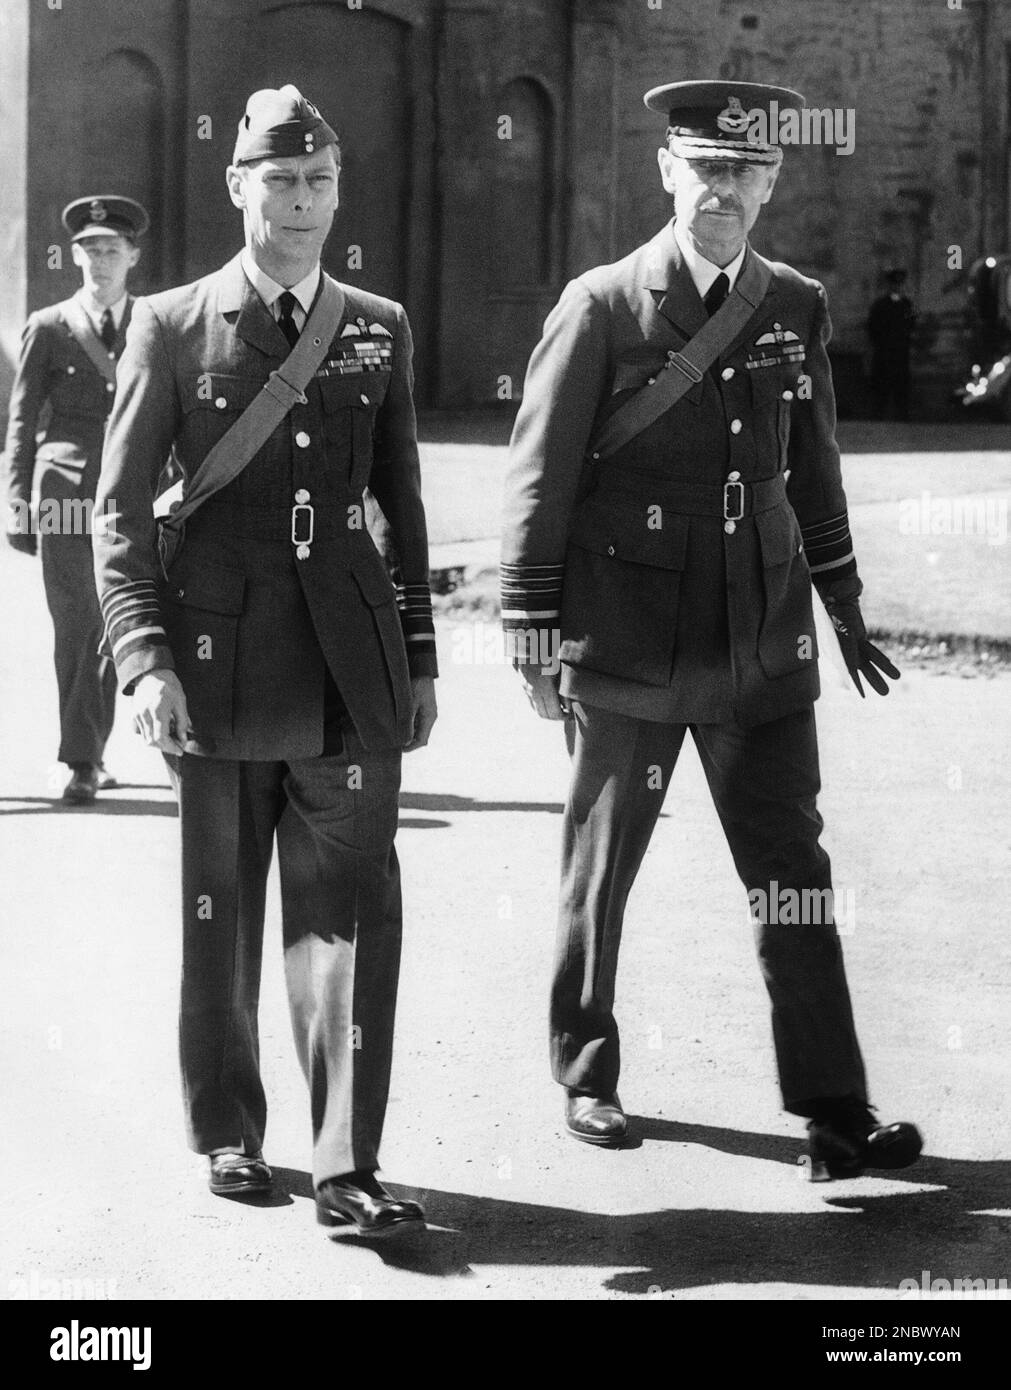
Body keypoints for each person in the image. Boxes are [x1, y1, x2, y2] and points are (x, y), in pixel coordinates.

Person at [500, 80, 922, 1181]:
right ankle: (586, 1072)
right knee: (603, 864)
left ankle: (836, 1106)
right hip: (629, 632)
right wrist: (531, 627)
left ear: (772, 182)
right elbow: (539, 482)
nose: (722, 191)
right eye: (704, 170)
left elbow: (814, 465)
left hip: (762, 636)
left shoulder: (796, 303)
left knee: (794, 868)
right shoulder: (600, 305)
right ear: (665, 172)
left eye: (743, 174)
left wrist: (844, 602)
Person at [93, 86, 438, 1235]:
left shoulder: (377, 322)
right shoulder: (171, 323)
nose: (301, 202)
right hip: (216, 665)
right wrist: (145, 662)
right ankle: (231, 1130)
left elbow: (403, 500)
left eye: (320, 182)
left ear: (340, 192)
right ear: (237, 185)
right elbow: (119, 512)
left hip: (350, 670)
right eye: (279, 181)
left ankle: (346, 1160)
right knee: (223, 913)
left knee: (347, 918)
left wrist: (422, 657)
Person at [3, 196, 148, 804]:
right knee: (76, 623)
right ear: (74, 256)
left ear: (133, 257)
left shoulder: (154, 322)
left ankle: (104, 745)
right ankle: (80, 758)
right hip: (63, 498)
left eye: (112, 249)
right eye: (90, 249)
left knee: (126, 622)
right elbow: (21, 418)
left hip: (135, 495)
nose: (100, 261)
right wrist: (16, 499)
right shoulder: (49, 325)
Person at [867, 268, 916, 420]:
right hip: (885, 350)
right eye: (895, 284)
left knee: (900, 384)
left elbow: (911, 324)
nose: (897, 287)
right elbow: (873, 326)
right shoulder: (881, 305)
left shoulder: (906, 304)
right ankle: (879, 413)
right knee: (882, 383)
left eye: (899, 284)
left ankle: (901, 413)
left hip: (900, 351)